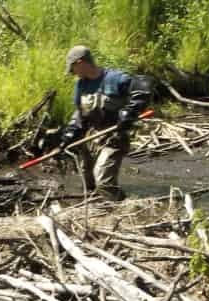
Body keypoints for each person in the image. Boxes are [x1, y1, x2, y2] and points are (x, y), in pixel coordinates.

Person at [57, 45, 153, 201]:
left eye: (73, 68)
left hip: (114, 137)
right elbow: (80, 113)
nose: (73, 73)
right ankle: (97, 211)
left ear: (81, 62)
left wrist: (129, 112)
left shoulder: (116, 78)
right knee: (88, 182)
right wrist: (70, 133)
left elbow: (143, 87)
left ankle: (124, 208)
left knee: (103, 181)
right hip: (90, 138)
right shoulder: (81, 85)